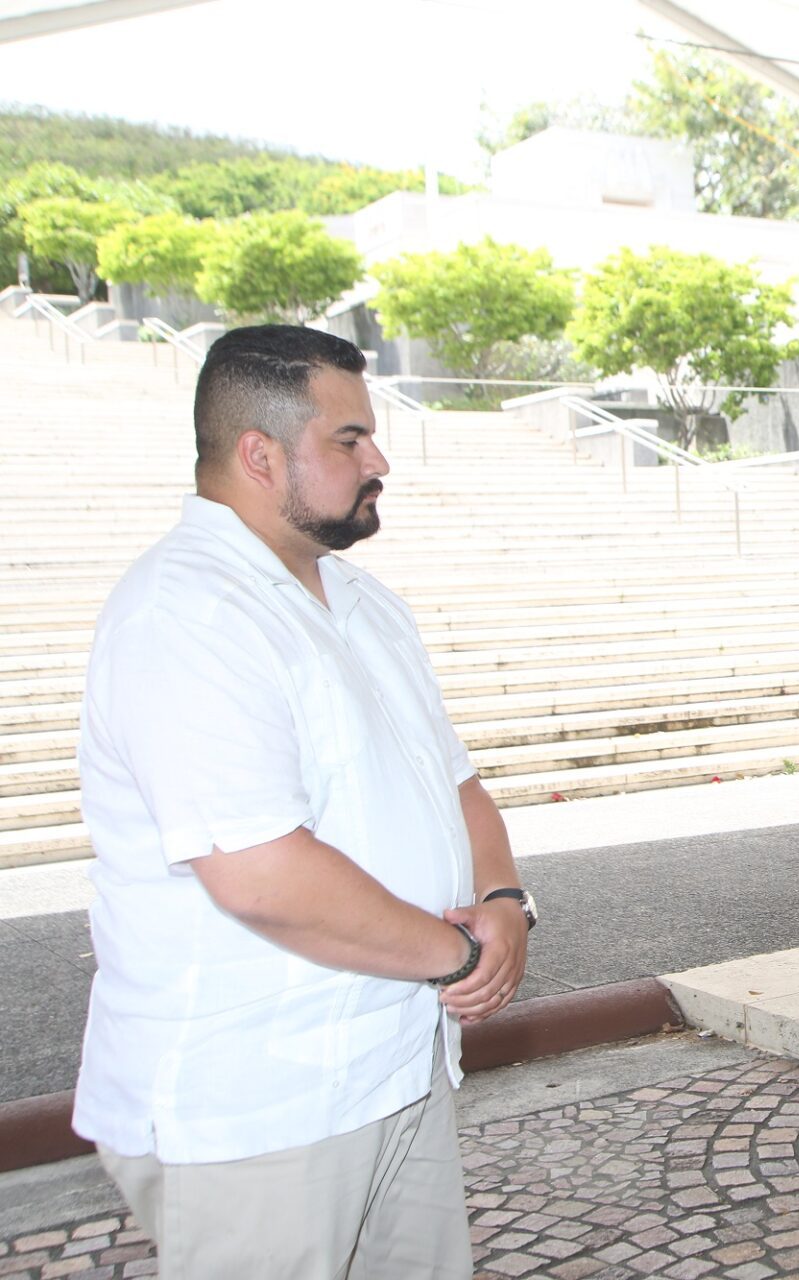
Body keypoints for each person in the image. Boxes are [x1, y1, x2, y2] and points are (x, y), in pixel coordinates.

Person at [74, 325, 536, 1278]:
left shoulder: (366, 605)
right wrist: (457, 956)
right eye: (349, 441)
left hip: (397, 1067)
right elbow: (259, 874)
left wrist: (503, 904)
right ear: (259, 454)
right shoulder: (189, 613)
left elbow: (458, 786)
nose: (381, 462)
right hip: (258, 1101)